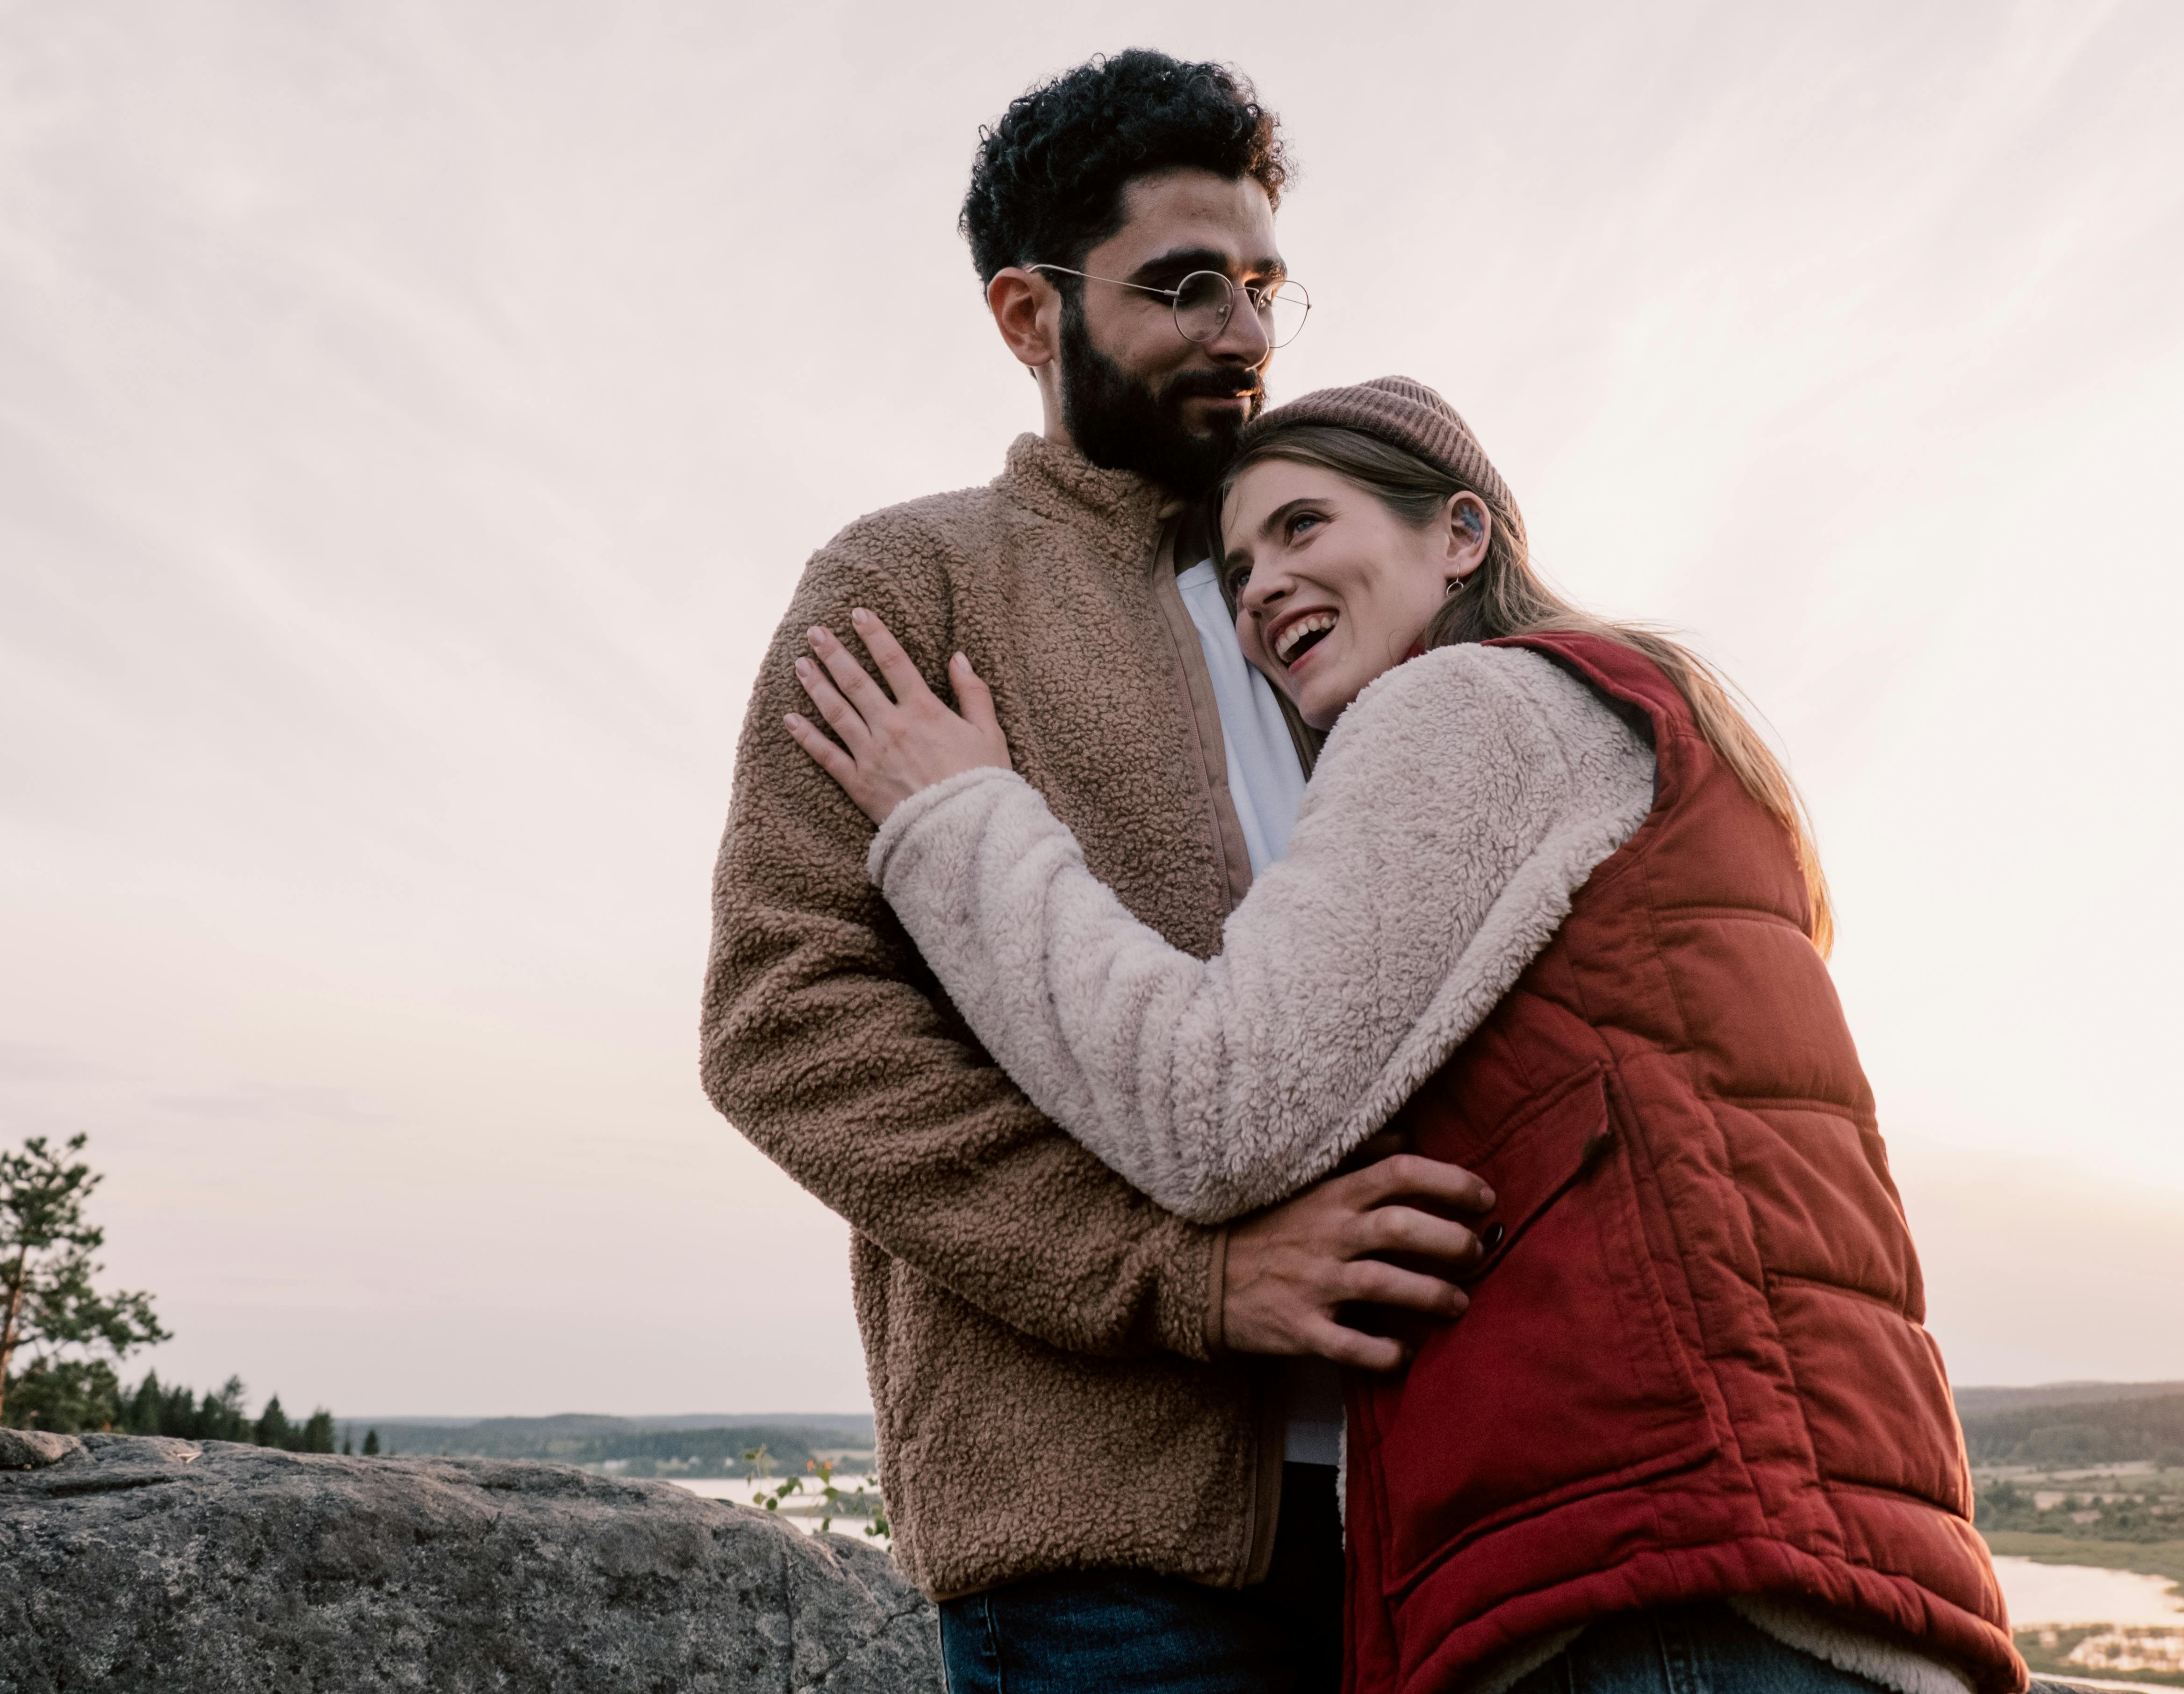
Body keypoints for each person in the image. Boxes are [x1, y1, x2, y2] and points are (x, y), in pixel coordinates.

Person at [782, 378, 2026, 1694]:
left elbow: (1214, 1111)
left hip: (1655, 1570)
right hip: (1791, 1542)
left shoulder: (1474, 708)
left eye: (1306, 527)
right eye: (1240, 565)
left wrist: (962, 816)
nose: (1264, 588)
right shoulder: (1645, 721)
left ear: (1463, 537)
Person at [702, 57, 1495, 1694]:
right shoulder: (912, 579)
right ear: (1025, 312)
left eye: (1265, 284)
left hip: (1440, 1514)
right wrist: (1182, 1280)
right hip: (1107, 1555)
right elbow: (783, 1018)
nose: (1249, 334)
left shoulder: (1333, 576)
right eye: (1186, 285)